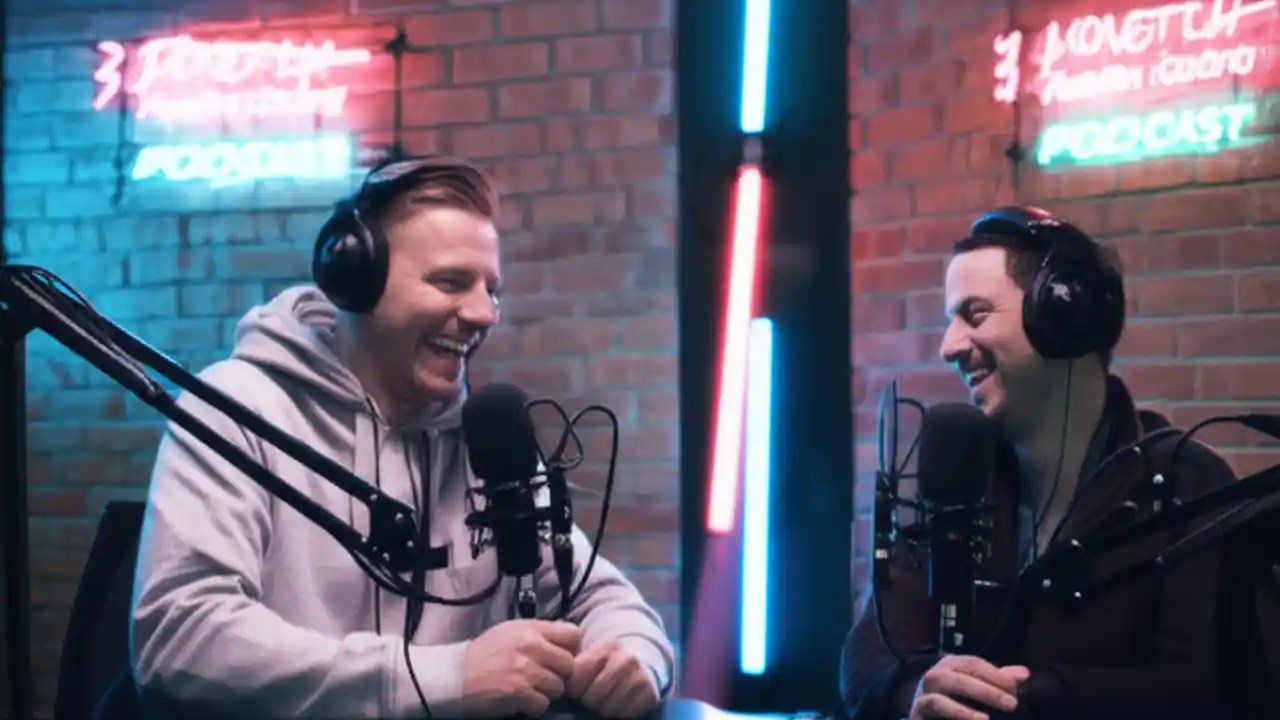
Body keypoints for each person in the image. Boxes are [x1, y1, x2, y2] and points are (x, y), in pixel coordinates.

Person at [131, 155, 675, 719]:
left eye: (492, 289)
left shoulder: (485, 437)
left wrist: (634, 655)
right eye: (451, 282)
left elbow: (596, 595)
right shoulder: (238, 409)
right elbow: (181, 639)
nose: (484, 313)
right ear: (355, 281)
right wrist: (442, 677)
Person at [839, 206, 1239, 720]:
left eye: (975, 314)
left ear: (1063, 316)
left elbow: (1200, 688)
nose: (949, 346)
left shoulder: (1185, 482)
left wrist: (1028, 699)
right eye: (949, 321)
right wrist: (915, 689)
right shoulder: (956, 468)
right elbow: (867, 655)